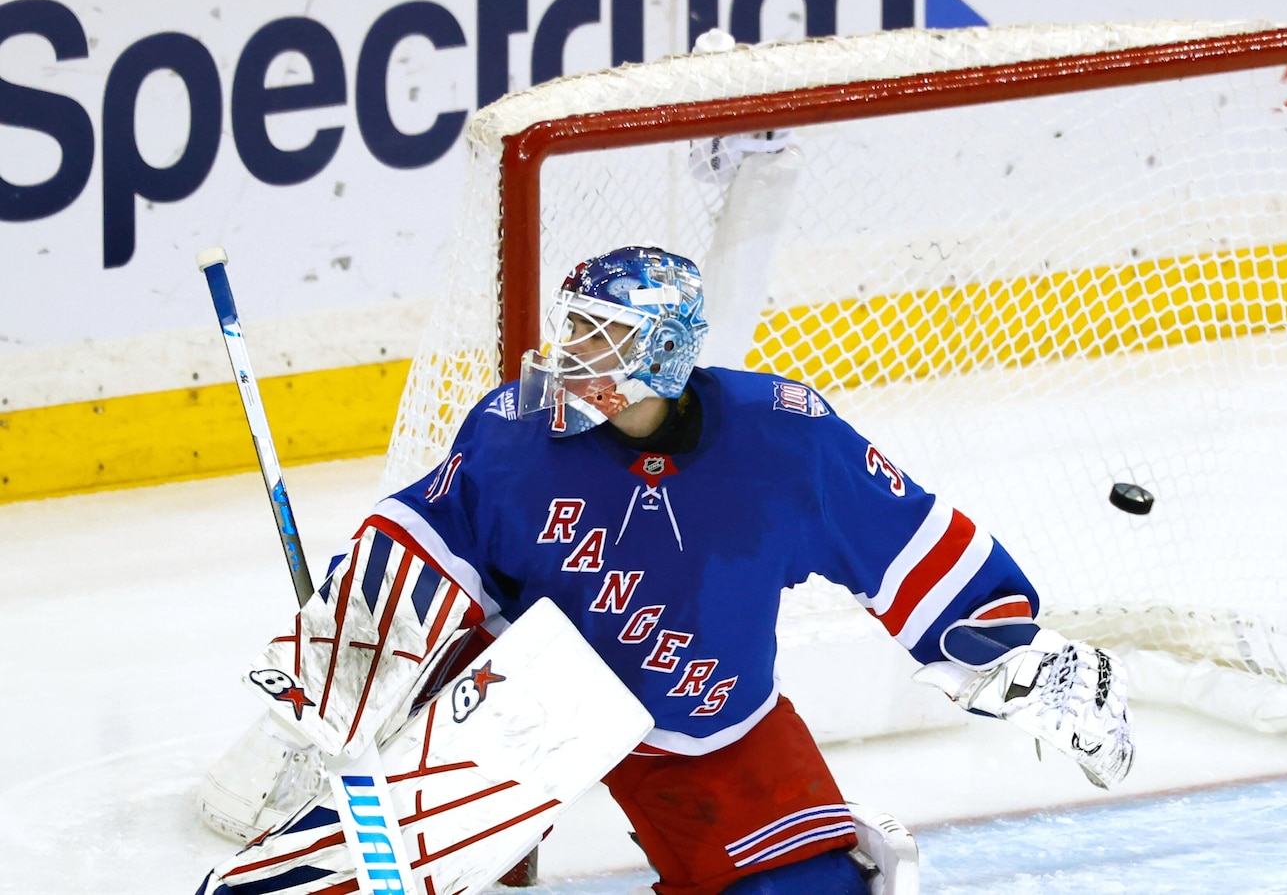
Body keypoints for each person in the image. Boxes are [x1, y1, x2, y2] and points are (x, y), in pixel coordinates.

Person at [196, 245, 1134, 895]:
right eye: (572, 329)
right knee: (335, 879)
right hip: (527, 700)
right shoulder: (517, 428)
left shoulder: (783, 439)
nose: (571, 355)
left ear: (668, 351)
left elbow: (908, 549)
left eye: (599, 337)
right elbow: (423, 544)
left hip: (705, 717)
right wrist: (352, 659)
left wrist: (1024, 657)